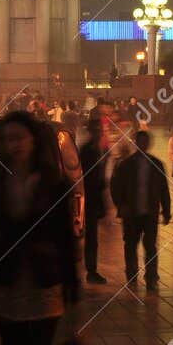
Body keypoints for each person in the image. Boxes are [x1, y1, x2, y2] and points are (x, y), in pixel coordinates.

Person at [0, 111, 79, 345]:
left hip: (45, 290)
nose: (14, 145)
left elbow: (66, 241)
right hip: (9, 291)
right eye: (7, 139)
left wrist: (73, 290)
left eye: (19, 137)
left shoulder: (54, 184)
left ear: (33, 140)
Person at [110, 128, 170, 291]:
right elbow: (115, 187)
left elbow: (163, 189)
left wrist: (166, 210)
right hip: (131, 213)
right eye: (140, 142)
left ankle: (151, 277)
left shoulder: (157, 164)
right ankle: (131, 274)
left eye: (145, 142)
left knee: (150, 246)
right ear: (136, 143)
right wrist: (121, 205)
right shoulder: (126, 165)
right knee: (130, 245)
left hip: (150, 213)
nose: (143, 144)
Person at [77, 115, 111, 285]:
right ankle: (87, 270)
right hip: (86, 198)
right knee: (87, 236)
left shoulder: (101, 149)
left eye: (101, 130)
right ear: (91, 131)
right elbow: (86, 177)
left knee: (92, 237)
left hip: (95, 198)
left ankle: (91, 270)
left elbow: (101, 178)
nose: (99, 133)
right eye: (97, 130)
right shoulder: (86, 150)